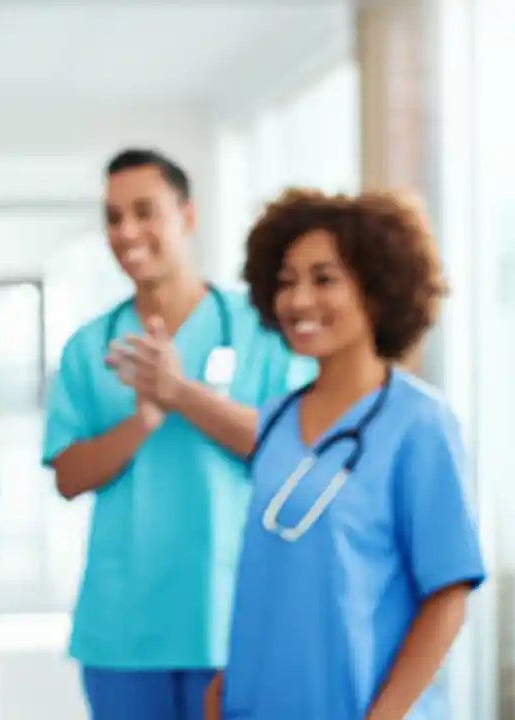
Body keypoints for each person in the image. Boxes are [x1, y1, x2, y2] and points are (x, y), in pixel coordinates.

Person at [42, 149, 311, 720]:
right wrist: (141, 422)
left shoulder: (260, 329)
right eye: (113, 217)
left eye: (145, 211)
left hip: (232, 616)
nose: (127, 231)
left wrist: (180, 392)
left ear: (187, 217)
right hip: (123, 628)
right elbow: (67, 476)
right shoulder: (90, 347)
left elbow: (292, 449)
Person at [206, 189, 486, 719]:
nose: (299, 300)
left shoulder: (418, 423)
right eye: (286, 282)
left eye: (324, 278)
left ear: (377, 291)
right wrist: (228, 685)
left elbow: (448, 595)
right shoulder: (275, 420)